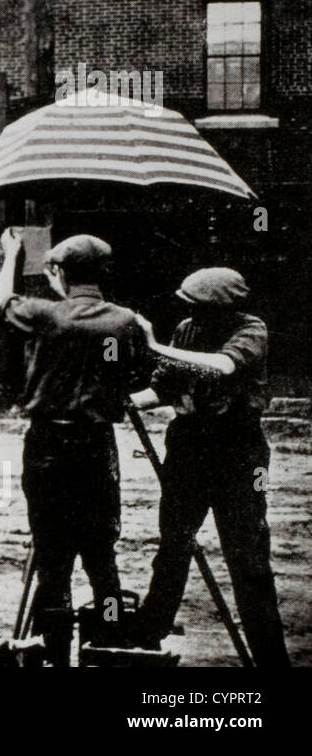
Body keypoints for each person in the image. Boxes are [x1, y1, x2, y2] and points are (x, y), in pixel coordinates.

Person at [0, 230, 145, 665]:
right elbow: (129, 370)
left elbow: (2, 301)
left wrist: (11, 255)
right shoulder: (123, 322)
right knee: (103, 560)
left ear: (59, 272)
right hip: (98, 449)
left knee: (52, 562)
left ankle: (55, 655)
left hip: (47, 448)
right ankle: (111, 647)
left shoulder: (45, 315)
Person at [129, 267, 289, 666]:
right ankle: (149, 638)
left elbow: (221, 366)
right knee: (172, 548)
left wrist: (152, 344)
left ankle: (271, 658)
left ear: (222, 307)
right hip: (189, 448)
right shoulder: (186, 329)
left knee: (248, 560)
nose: (191, 313)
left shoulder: (253, 329)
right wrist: (122, 401)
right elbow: (162, 387)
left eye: (198, 307)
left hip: (239, 454)